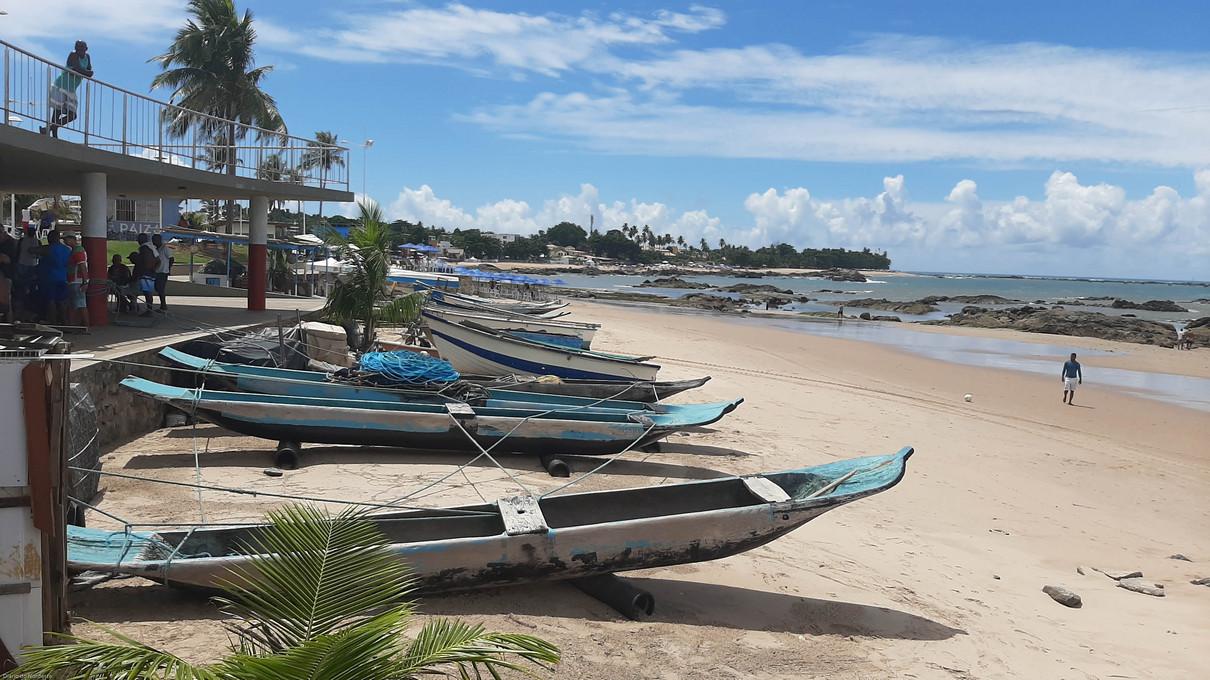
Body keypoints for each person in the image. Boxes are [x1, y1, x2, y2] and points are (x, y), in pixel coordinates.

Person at [42, 41, 93, 138]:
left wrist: (83, 72)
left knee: (72, 115)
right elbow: (80, 70)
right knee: (57, 112)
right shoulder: (73, 54)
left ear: (86, 49)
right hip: (61, 85)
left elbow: (89, 72)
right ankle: (54, 134)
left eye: (82, 48)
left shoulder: (87, 57)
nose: (80, 50)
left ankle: (48, 129)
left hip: (71, 89)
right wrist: (84, 72)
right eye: (78, 48)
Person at [38, 230, 71, 324]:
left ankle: (53, 321)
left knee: (51, 300)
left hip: (50, 278)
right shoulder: (67, 249)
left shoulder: (49, 249)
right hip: (63, 278)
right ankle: (64, 321)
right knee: (62, 301)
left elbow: (32, 250)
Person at [63, 233, 89, 327]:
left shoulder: (78, 251)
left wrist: (85, 281)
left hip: (77, 281)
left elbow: (82, 266)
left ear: (72, 239)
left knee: (80, 304)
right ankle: (76, 324)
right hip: (73, 281)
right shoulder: (74, 250)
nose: (64, 241)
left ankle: (83, 325)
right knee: (75, 304)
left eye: (66, 239)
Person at [131, 233, 157, 316]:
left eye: (139, 239)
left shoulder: (144, 248)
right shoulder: (152, 247)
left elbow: (144, 262)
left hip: (145, 273)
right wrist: (154, 269)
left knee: (147, 292)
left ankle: (149, 311)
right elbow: (158, 260)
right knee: (148, 292)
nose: (138, 241)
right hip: (151, 272)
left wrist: (145, 270)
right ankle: (149, 310)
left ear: (142, 240)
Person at [152, 233, 173, 312]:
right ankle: (162, 305)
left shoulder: (165, 248)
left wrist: (168, 269)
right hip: (157, 271)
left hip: (163, 272)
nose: (153, 242)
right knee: (157, 288)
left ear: (159, 240)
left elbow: (171, 259)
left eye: (154, 240)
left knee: (161, 289)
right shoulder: (157, 249)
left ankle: (163, 305)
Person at [0, 227, 15, 322]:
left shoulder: (9, 243)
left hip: (6, 277)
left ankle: (9, 326)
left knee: (6, 304)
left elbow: (6, 259)